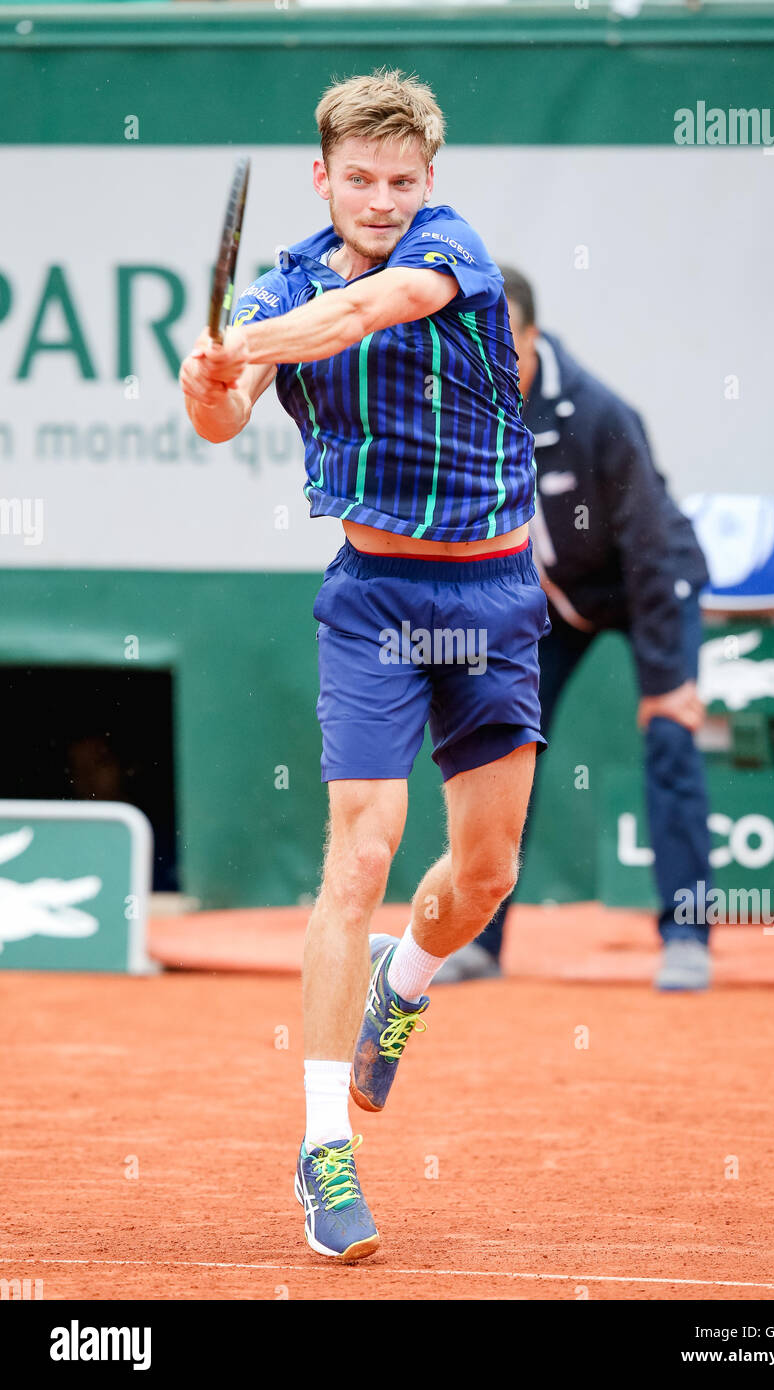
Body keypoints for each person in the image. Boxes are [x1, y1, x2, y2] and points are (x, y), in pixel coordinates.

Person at [179, 71, 549, 1263]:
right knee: (364, 850)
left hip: (492, 594)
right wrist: (211, 387)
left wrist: (244, 341)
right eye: (360, 179)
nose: (381, 199)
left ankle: (410, 978)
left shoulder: (448, 251)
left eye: (401, 181)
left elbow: (357, 317)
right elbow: (227, 420)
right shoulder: (278, 281)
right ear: (324, 174)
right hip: (374, 596)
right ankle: (321, 1143)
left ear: (427, 182)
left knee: (483, 875)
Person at [434, 267, 714, 993]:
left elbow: (650, 550)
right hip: (556, 600)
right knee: (503, 749)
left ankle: (686, 935)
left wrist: (664, 683)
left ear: (528, 337)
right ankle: (480, 941)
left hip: (652, 584)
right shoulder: (464, 408)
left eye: (498, 338)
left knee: (671, 735)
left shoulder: (600, 416)